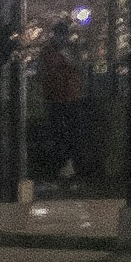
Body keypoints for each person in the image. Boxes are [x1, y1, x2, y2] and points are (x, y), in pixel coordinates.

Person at [36, 25, 92, 182]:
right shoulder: (47, 51)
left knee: (73, 131)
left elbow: (81, 67)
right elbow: (40, 72)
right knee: (59, 132)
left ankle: (72, 164)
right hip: (56, 97)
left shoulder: (72, 49)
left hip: (72, 96)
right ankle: (63, 165)